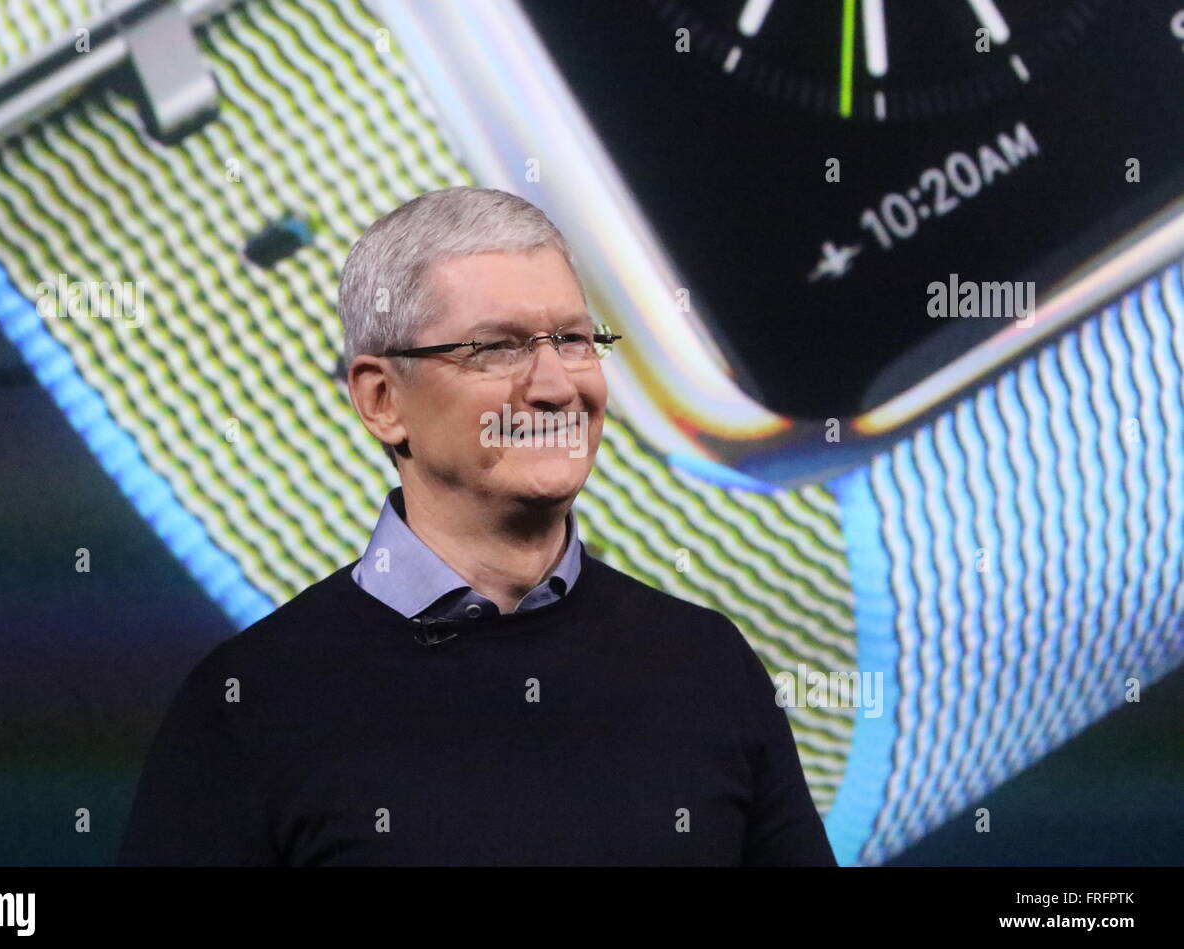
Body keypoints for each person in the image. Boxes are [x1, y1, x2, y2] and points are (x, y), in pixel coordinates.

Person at [118, 186, 836, 866]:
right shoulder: (250, 706)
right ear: (380, 400)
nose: (557, 385)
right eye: (497, 349)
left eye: (577, 341)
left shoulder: (704, 662)